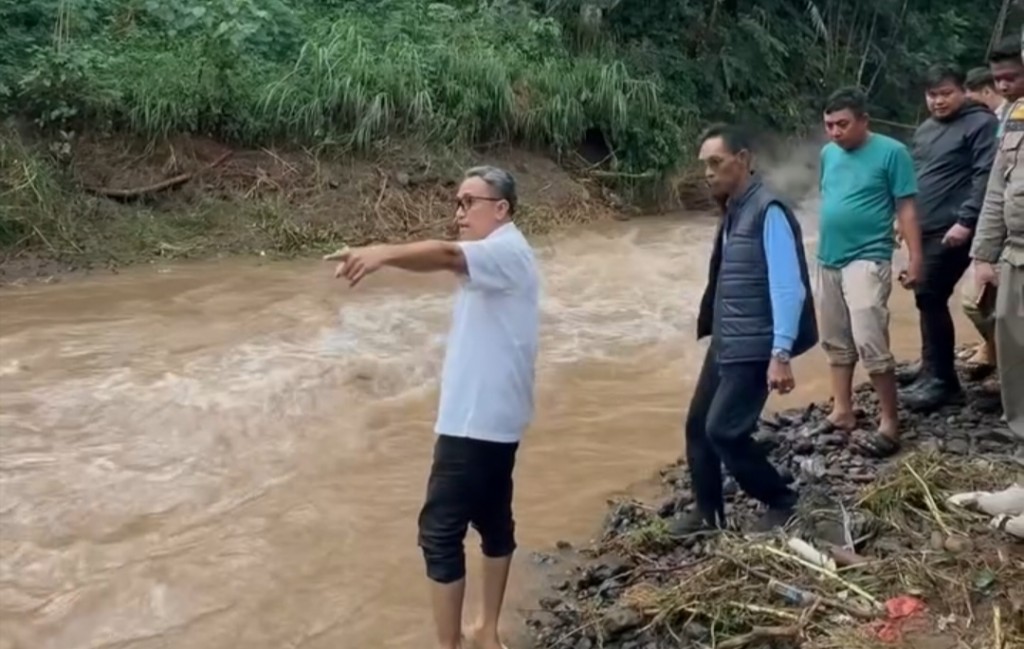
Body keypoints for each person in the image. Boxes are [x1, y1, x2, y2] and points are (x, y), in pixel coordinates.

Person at [326, 166, 540, 649]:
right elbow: (450, 259)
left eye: (469, 202)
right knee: (492, 518)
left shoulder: (503, 251)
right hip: (496, 418)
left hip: (474, 423)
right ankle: (486, 631)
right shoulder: (505, 255)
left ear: (501, 208)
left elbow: (443, 255)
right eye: (457, 202)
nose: (458, 213)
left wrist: (381, 254)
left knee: (440, 532)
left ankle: (454, 645)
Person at [669, 123, 818, 535]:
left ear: (744, 160)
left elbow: (789, 287)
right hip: (727, 339)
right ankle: (708, 513)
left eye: (716, 163)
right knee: (698, 426)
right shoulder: (736, 207)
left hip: (755, 344)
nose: (708, 173)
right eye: (705, 166)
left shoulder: (768, 209)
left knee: (725, 431)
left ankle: (780, 499)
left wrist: (781, 353)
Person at [812, 87, 923, 457]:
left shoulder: (893, 153)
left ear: (864, 121)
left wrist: (914, 257)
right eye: (829, 125)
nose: (834, 132)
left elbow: (905, 208)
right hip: (829, 256)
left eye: (842, 124)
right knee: (835, 339)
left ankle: (890, 421)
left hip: (868, 256)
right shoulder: (829, 153)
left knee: (870, 339)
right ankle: (842, 410)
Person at [899, 63, 998, 411]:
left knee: (931, 292)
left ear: (962, 91)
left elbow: (987, 176)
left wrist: (967, 221)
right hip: (924, 225)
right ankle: (931, 367)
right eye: (932, 95)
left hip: (955, 227)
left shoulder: (981, 124)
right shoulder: (926, 129)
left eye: (945, 93)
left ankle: (943, 382)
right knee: (926, 296)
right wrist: (904, 218)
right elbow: (916, 175)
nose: (938, 101)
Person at [960, 39, 1024, 376]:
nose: (1002, 85)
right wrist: (982, 255)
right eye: (998, 78)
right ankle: (1017, 421)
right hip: (1014, 249)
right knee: (1007, 327)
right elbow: (997, 189)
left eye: (1011, 76)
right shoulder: (1014, 116)